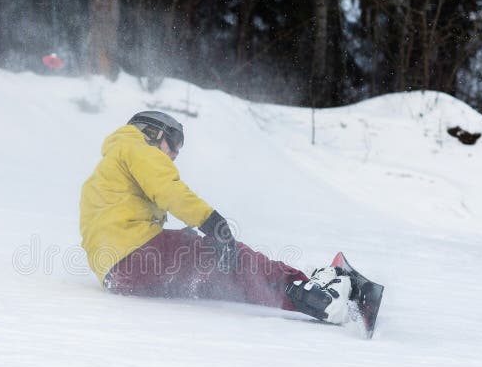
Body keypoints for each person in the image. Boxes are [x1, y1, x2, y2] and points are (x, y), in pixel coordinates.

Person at [79, 111, 352, 323]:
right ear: (151, 131)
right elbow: (169, 191)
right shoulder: (136, 147)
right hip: (138, 252)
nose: (174, 154)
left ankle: (292, 291)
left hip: (117, 275)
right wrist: (214, 223)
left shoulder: (106, 168)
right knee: (232, 257)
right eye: (172, 142)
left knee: (217, 278)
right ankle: (316, 296)